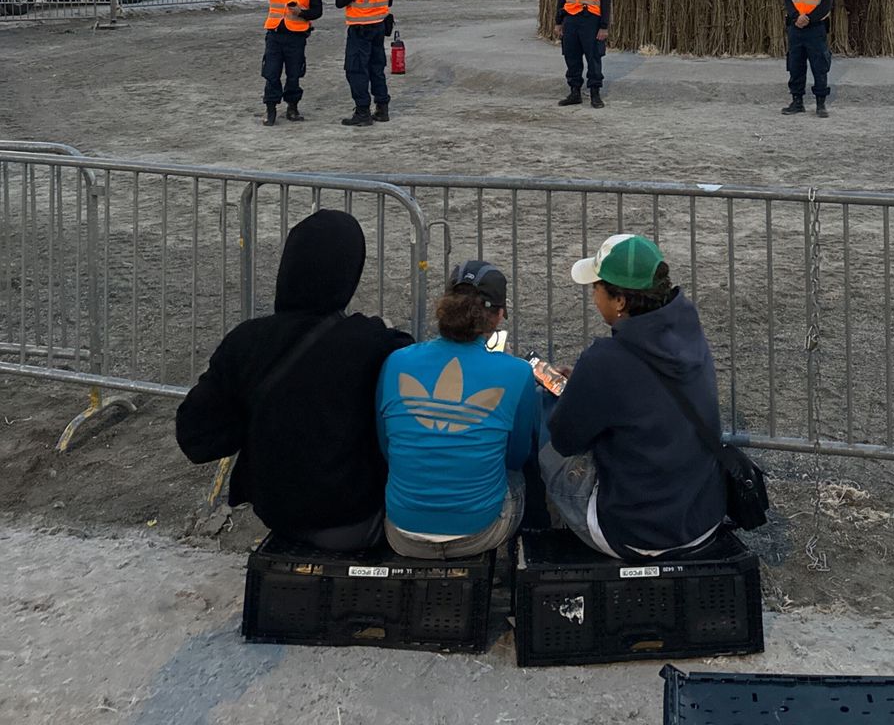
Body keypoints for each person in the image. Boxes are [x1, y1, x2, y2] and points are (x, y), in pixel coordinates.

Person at [176, 210, 413, 551]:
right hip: (356, 516)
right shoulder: (374, 342)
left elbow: (196, 439)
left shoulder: (246, 341)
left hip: (276, 511)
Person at [539, 233, 726, 559]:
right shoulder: (688, 327)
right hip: (702, 518)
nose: (593, 296)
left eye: (596, 288)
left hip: (636, 533)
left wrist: (576, 392)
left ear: (620, 301)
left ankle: (544, 534)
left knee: (542, 436)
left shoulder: (604, 360)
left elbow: (565, 440)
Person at [376, 260, 537, 558]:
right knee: (521, 477)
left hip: (403, 531)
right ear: (499, 315)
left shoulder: (397, 361)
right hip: (479, 530)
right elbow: (516, 457)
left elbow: (387, 446)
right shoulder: (517, 372)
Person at [228, 0, 323, 124]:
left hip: (296, 37)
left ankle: (292, 107)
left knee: (294, 75)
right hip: (275, 35)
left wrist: (302, 13)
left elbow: (318, 11)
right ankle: (270, 109)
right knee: (271, 73)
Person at [336, 0, 394, 126]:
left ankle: (362, 111)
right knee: (376, 68)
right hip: (379, 26)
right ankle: (382, 108)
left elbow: (340, 1)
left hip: (360, 29)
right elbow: (389, 0)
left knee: (356, 70)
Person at [554, 0, 612, 108]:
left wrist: (604, 26)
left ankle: (595, 93)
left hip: (591, 19)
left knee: (593, 56)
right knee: (571, 56)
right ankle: (575, 92)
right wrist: (558, 21)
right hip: (570, 18)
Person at [781, 0, 834, 117]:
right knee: (795, 65)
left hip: (815, 28)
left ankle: (820, 104)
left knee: (819, 65)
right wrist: (796, 17)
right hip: (795, 27)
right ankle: (797, 102)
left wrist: (809, 18)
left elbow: (826, 5)